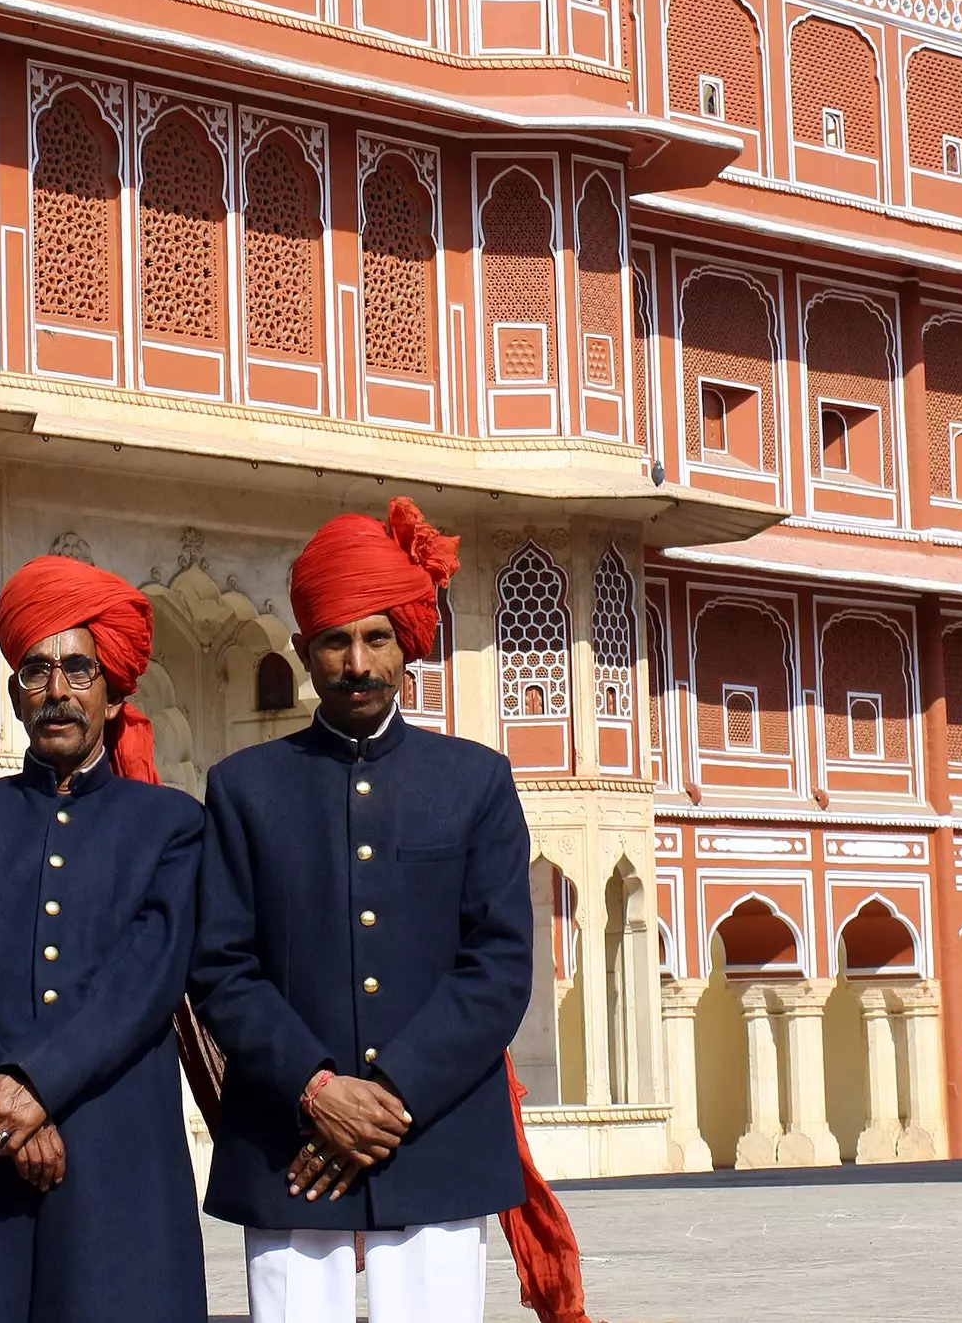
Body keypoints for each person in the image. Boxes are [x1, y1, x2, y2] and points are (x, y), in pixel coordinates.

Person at [191, 498, 583, 1323]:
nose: (358, 662)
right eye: (336, 640)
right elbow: (222, 967)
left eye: (376, 638)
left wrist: (391, 1094)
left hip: (434, 1131)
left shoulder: (471, 781)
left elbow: (501, 964)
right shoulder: (245, 790)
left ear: (408, 641)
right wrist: (318, 1089)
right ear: (303, 651)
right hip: (293, 1141)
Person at [0, 555, 207, 1323]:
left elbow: (148, 978)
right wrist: (0, 1113)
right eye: (36, 672)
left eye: (77, 670)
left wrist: (32, 1087)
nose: (58, 692)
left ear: (111, 691)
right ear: (13, 694)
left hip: (116, 1162)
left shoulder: (170, 826)